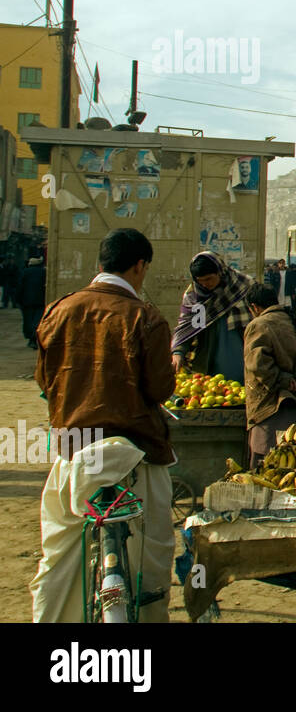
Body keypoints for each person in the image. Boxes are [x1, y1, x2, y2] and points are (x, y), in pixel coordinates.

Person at [31, 228, 175, 622]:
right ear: (140, 266)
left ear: (100, 263)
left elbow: (45, 382)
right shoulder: (145, 318)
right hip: (136, 459)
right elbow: (160, 389)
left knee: (59, 554)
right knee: (151, 553)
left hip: (73, 455)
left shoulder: (58, 311)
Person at [243, 285, 296, 466]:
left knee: (267, 459)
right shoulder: (290, 318)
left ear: (254, 307)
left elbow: (258, 365)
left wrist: (282, 380)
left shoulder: (259, 324)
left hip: (273, 404)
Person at [172, 251, 254, 382]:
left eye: (209, 279)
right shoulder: (193, 296)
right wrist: (178, 352)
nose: (205, 284)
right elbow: (186, 327)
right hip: (208, 354)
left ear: (220, 272)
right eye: (200, 281)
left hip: (240, 350)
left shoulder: (242, 285)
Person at [19, 257, 46, 349]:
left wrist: (18, 300)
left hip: (26, 301)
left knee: (28, 320)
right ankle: (35, 337)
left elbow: (19, 287)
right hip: (40, 300)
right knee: (38, 320)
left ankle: (31, 339)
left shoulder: (24, 272)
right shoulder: (43, 272)